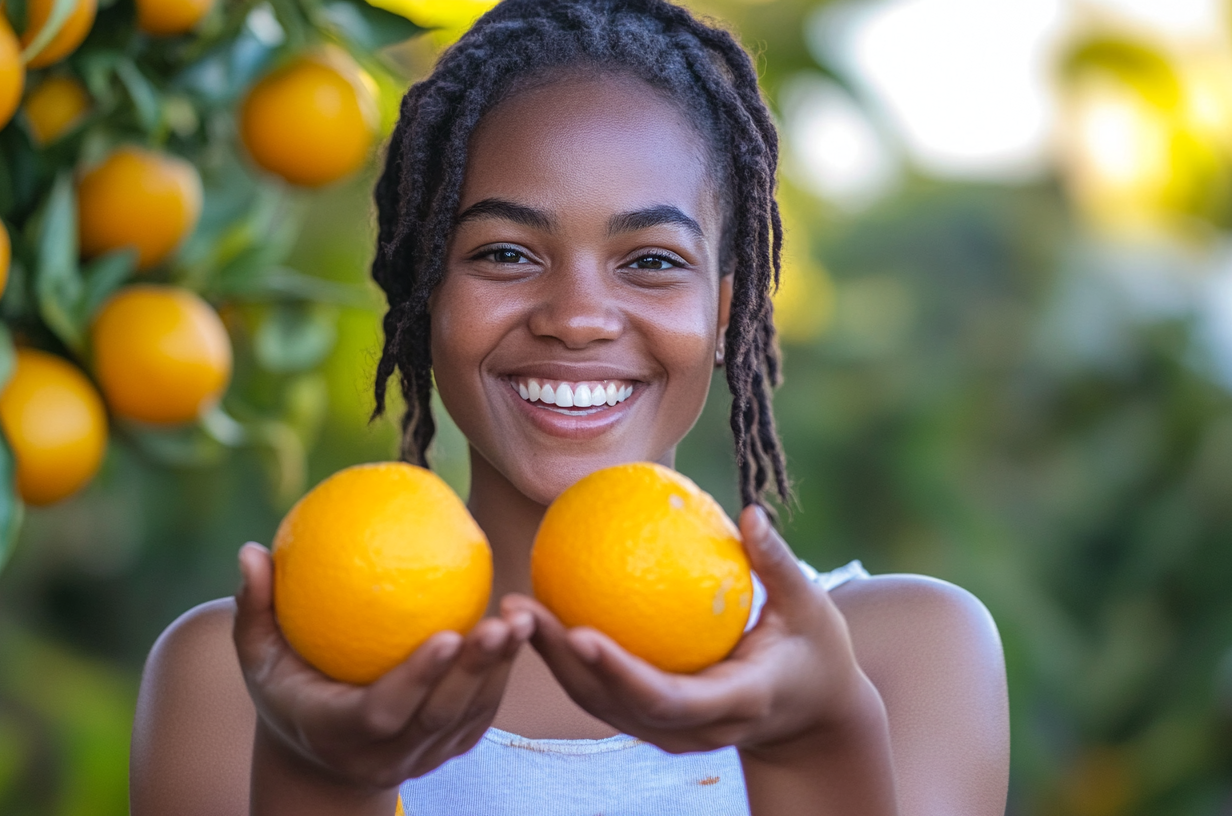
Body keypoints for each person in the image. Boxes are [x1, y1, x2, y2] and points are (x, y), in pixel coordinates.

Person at [129, 1, 1011, 813]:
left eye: (653, 261)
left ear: (723, 314)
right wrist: (320, 771)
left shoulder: (905, 656)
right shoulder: (244, 677)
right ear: (424, 297)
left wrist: (812, 736)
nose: (579, 317)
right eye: (507, 254)